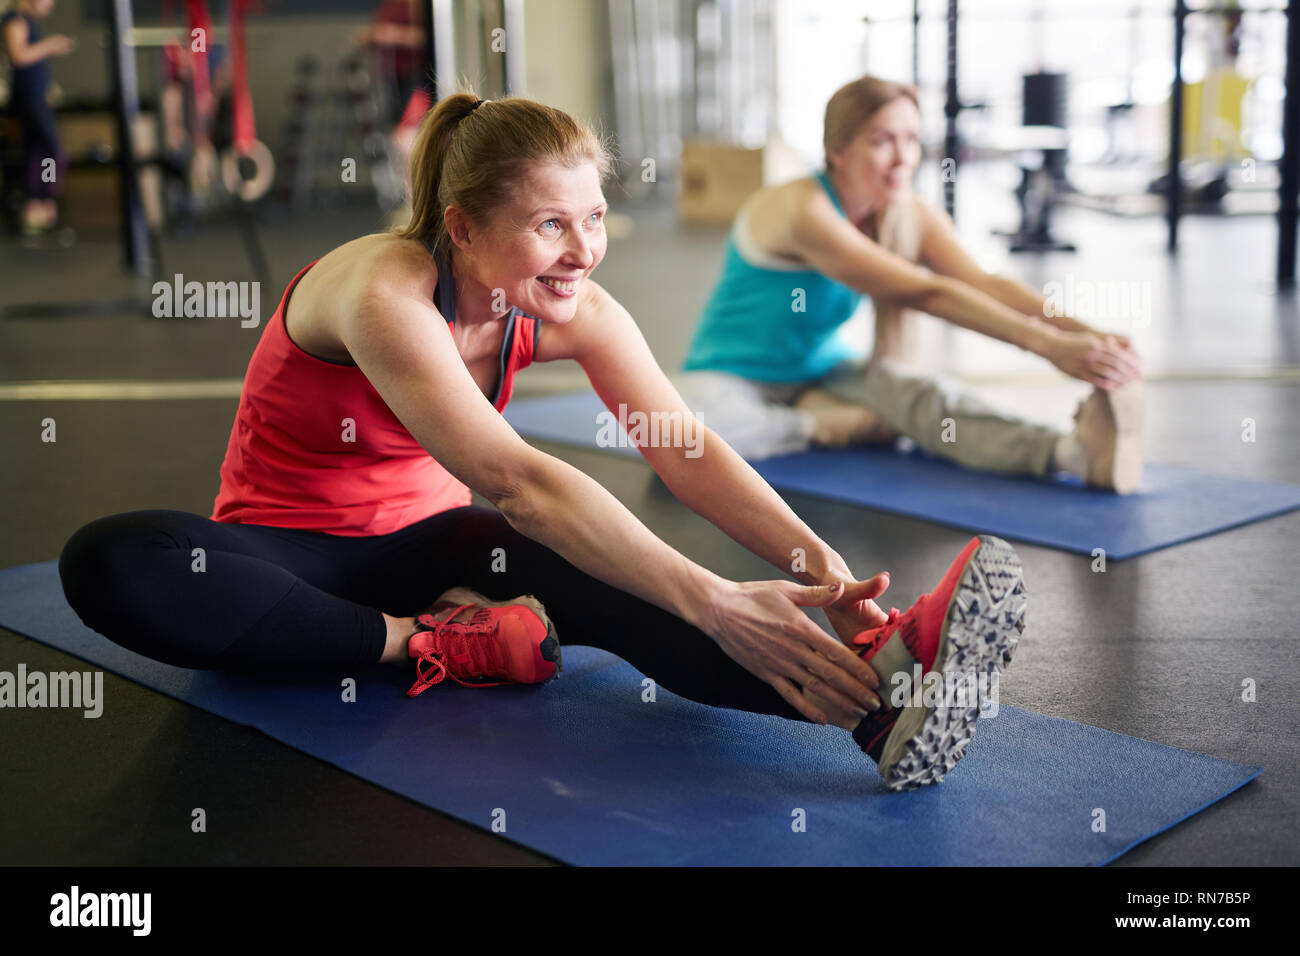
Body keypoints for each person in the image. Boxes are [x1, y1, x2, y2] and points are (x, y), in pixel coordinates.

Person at [58, 91, 1025, 791]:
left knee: (629, 577)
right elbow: (516, 479)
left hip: (437, 548)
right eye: (549, 224)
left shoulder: (573, 306)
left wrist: (830, 578)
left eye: (594, 217)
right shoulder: (382, 290)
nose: (582, 249)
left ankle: (879, 701)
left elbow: (681, 446)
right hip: (289, 564)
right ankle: (434, 642)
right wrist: (716, 595)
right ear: (463, 231)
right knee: (115, 561)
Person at [677, 75, 1146, 493]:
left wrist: (1086, 335)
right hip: (732, 376)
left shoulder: (906, 212)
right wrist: (1047, 347)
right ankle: (821, 425)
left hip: (820, 369)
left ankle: (1072, 454)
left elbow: (981, 283)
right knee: (682, 437)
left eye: (911, 140)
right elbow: (926, 292)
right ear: (838, 150)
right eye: (882, 140)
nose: (903, 158)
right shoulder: (803, 210)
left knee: (922, 397)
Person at [1, 0, 73, 240]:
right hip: (27, 100)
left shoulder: (27, 22)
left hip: (35, 98)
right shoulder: (15, 20)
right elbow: (18, 56)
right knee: (53, 151)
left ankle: (37, 210)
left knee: (38, 153)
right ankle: (44, 202)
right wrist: (49, 46)